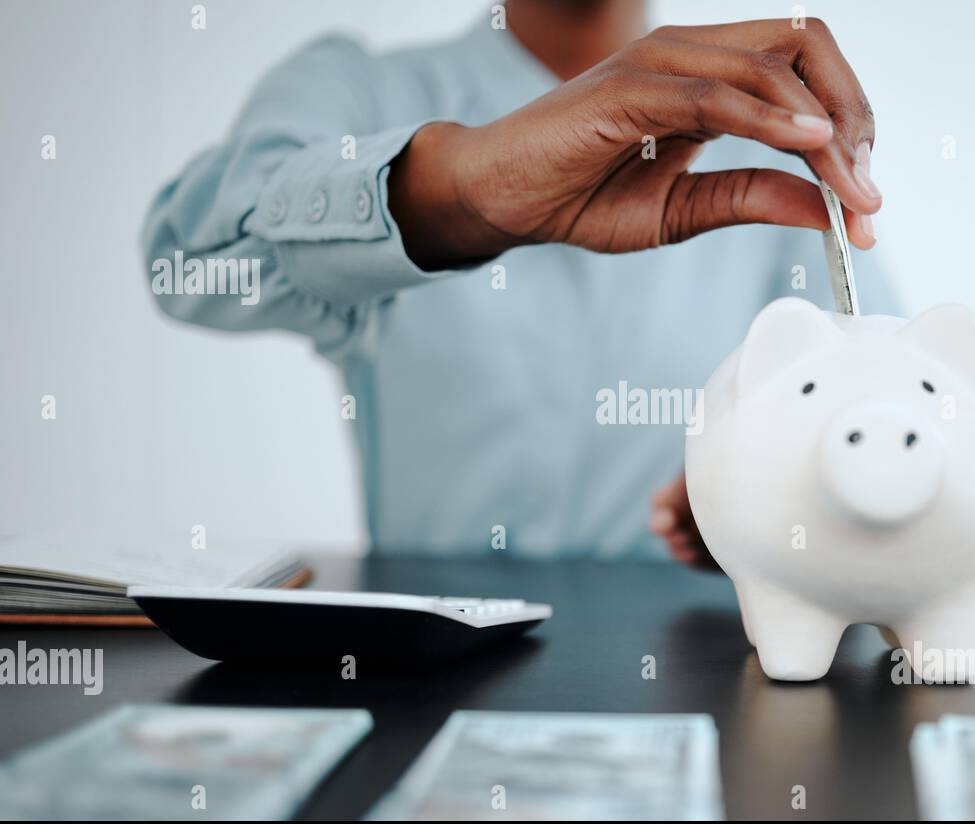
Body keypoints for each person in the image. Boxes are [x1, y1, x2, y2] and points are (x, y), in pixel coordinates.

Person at [142, 0, 889, 567]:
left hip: (695, 679)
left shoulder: (776, 134)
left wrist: (774, 480)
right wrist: (460, 190)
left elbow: (897, 405)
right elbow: (189, 259)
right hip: (417, 688)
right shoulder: (358, 90)